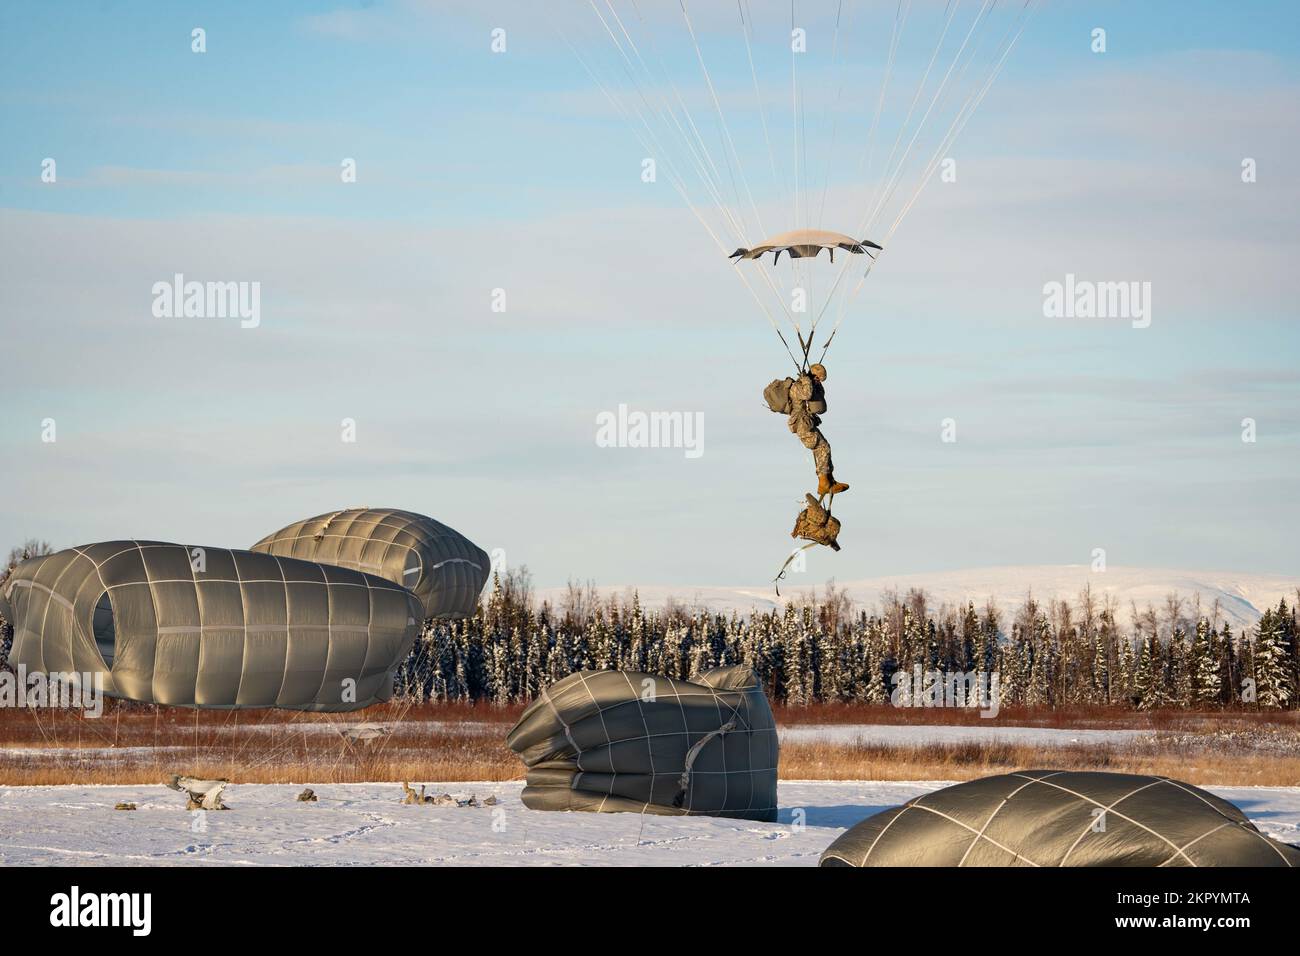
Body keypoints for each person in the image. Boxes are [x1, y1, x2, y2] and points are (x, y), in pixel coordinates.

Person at [767, 363, 849, 500]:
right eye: (817, 379)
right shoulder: (797, 387)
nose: (818, 382)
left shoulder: (810, 384)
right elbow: (807, 394)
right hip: (801, 425)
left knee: (824, 447)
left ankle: (829, 480)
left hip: (808, 422)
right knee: (822, 448)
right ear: (813, 376)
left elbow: (819, 397)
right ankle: (824, 483)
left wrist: (814, 382)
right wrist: (806, 380)